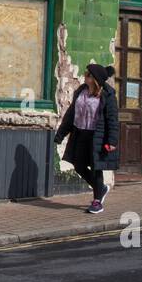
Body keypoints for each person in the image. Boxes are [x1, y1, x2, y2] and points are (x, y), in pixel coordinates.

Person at [55, 63, 120, 214]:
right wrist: (61, 134)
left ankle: (97, 201)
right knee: (78, 165)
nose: (85, 76)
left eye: (88, 75)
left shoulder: (107, 95)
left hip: (96, 136)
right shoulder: (81, 91)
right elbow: (71, 114)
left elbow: (112, 119)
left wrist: (112, 141)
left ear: (95, 79)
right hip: (79, 134)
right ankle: (101, 188)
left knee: (96, 168)